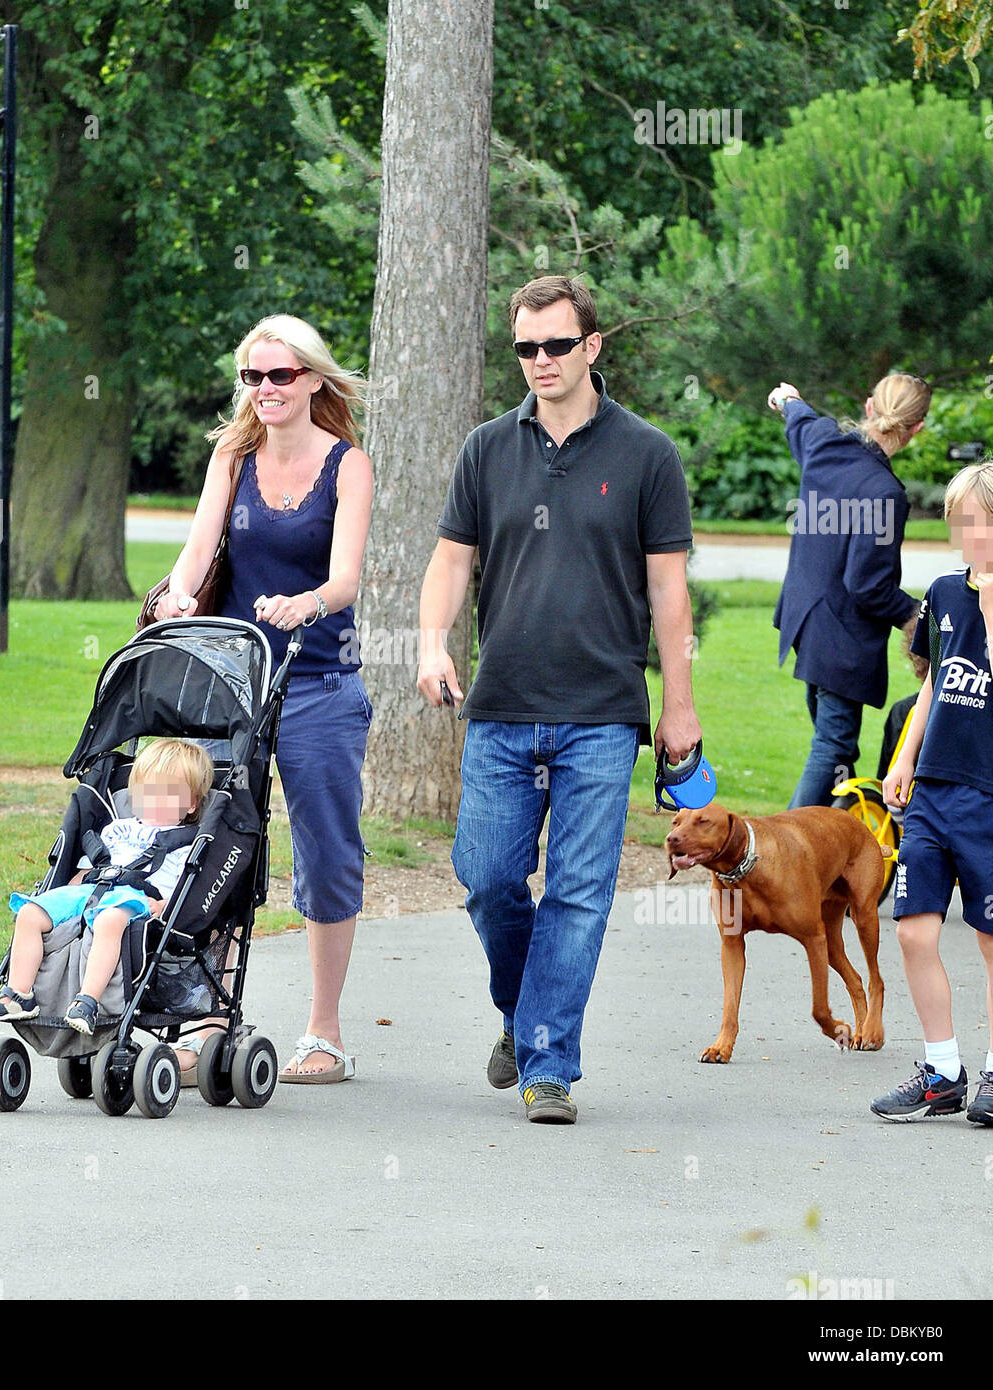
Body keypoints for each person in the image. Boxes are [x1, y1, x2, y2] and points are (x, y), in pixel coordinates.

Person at [416, 273, 701, 1125]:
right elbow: (451, 562)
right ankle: (524, 1010)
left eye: (555, 345)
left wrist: (678, 705)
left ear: (592, 346)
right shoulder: (485, 449)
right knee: (487, 878)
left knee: (580, 893)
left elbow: (670, 595)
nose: (539, 361)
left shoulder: (646, 453)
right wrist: (432, 641)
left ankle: (548, 1064)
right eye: (525, 348)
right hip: (501, 706)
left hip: (604, 714)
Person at [155, 315, 374, 1083]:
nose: (266, 390)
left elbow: (346, 576)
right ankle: (207, 1014)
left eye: (280, 375)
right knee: (218, 842)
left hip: (319, 683)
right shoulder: (233, 454)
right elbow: (199, 548)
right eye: (253, 377)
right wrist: (179, 597)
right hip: (236, 683)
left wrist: (310, 602)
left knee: (326, 852)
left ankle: (324, 1033)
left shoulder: (347, 465)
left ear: (313, 378)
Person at [871, 461, 993, 1125]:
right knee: (915, 933)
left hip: (988, 796)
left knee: (990, 939)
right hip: (934, 796)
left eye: (981, 521)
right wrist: (903, 756)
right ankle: (942, 1070)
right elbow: (934, 683)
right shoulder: (945, 593)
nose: (968, 534)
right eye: (960, 521)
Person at [0, 738, 214, 1034]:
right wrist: (67, 894)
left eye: (169, 792)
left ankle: (87, 1001)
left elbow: (187, 889)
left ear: (191, 803)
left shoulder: (186, 843)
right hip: (92, 888)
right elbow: (87, 869)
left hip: (136, 897)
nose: (156, 798)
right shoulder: (117, 828)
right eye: (148, 790)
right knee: (30, 912)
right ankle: (18, 994)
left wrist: (165, 906)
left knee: (109, 920)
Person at [770, 373, 931, 808]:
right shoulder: (885, 493)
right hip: (840, 639)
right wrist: (922, 614)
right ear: (916, 429)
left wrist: (787, 398)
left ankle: (841, 843)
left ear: (868, 407)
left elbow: (800, 417)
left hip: (804, 624)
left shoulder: (822, 444)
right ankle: (786, 857)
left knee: (838, 749)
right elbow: (868, 586)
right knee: (834, 745)